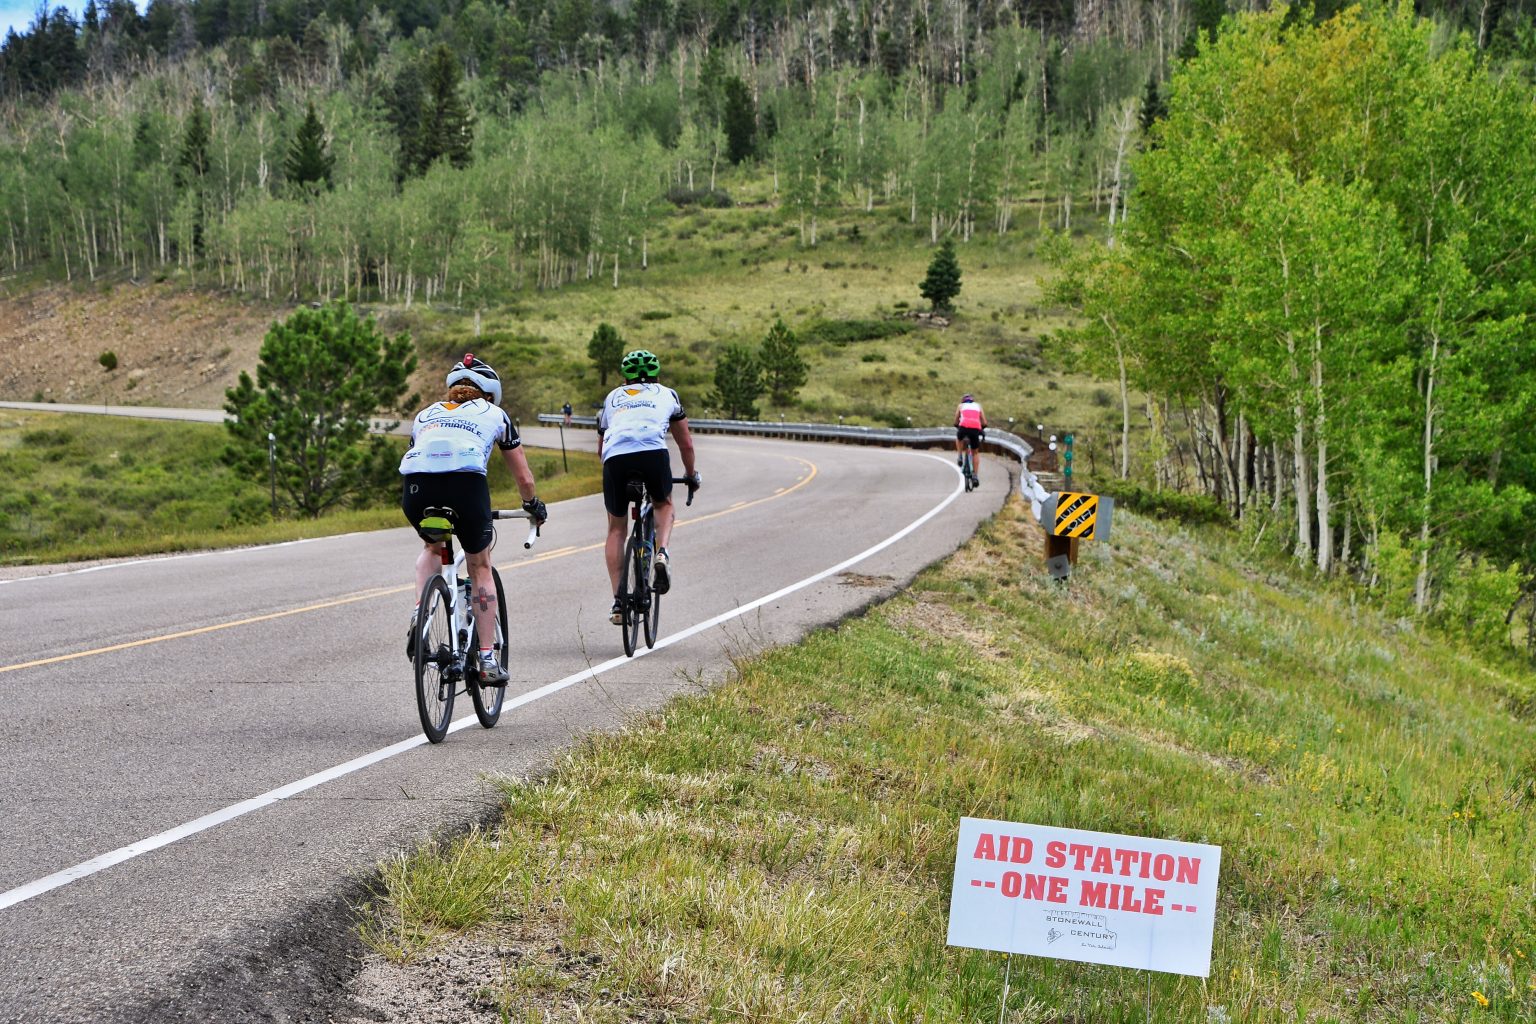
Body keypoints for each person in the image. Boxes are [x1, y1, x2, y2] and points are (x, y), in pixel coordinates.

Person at [400, 354, 548, 685]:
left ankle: (419, 616)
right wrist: (532, 504)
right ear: (490, 393)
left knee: (431, 547)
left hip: (416, 488)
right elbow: (523, 477)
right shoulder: (496, 414)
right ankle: (485, 658)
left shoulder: (426, 414)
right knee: (479, 566)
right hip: (465, 486)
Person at [596, 349, 699, 625]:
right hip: (652, 453)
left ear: (625, 377)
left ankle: (619, 602)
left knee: (617, 528)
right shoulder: (668, 394)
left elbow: (601, 447)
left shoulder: (613, 397)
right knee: (663, 504)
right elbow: (685, 443)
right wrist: (691, 475)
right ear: (656, 375)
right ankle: (662, 552)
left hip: (616, 458)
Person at [955, 393, 987, 479]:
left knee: (959, 438)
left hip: (963, 427)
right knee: (975, 453)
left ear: (963, 401)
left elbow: (956, 421)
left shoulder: (961, 406)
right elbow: (984, 422)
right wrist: (981, 428)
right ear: (973, 401)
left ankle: (960, 456)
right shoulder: (978, 406)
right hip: (975, 429)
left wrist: (957, 425)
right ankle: (975, 476)